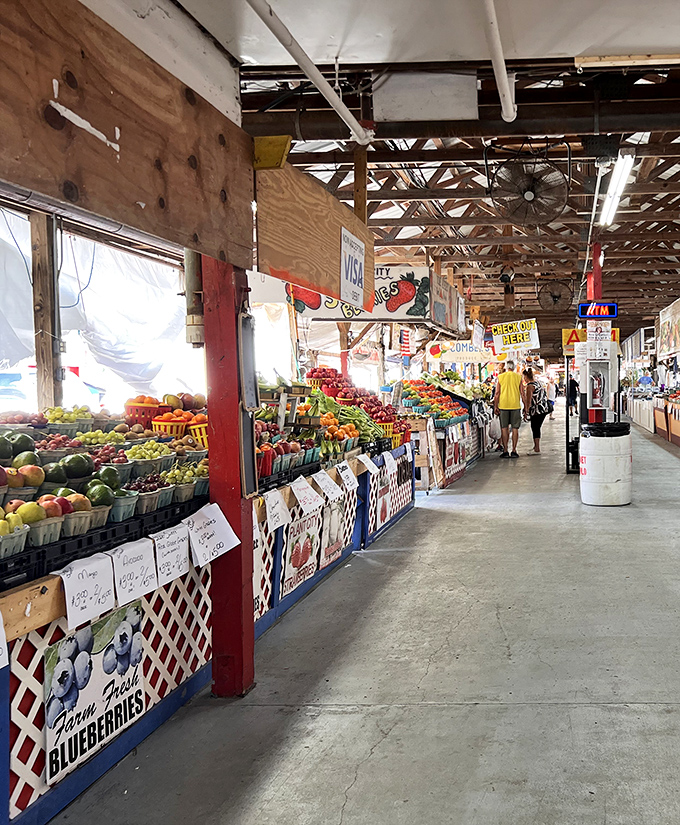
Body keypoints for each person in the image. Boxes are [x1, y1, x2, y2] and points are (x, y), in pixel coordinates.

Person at [493, 359, 522, 459]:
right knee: (515, 429)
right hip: (515, 406)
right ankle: (514, 450)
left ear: (506, 367)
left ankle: (505, 451)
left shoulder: (500, 377)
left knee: (504, 428)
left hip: (503, 406)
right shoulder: (519, 377)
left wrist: (495, 406)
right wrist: (526, 407)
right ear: (513, 368)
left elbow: (497, 394)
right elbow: (522, 393)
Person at [523, 368, 550, 454]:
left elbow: (528, 400)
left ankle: (537, 448)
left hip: (537, 410)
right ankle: (536, 447)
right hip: (544, 408)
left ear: (527, 376)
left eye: (524, 377)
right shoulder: (538, 383)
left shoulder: (530, 386)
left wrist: (526, 411)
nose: (524, 379)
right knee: (536, 427)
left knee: (535, 427)